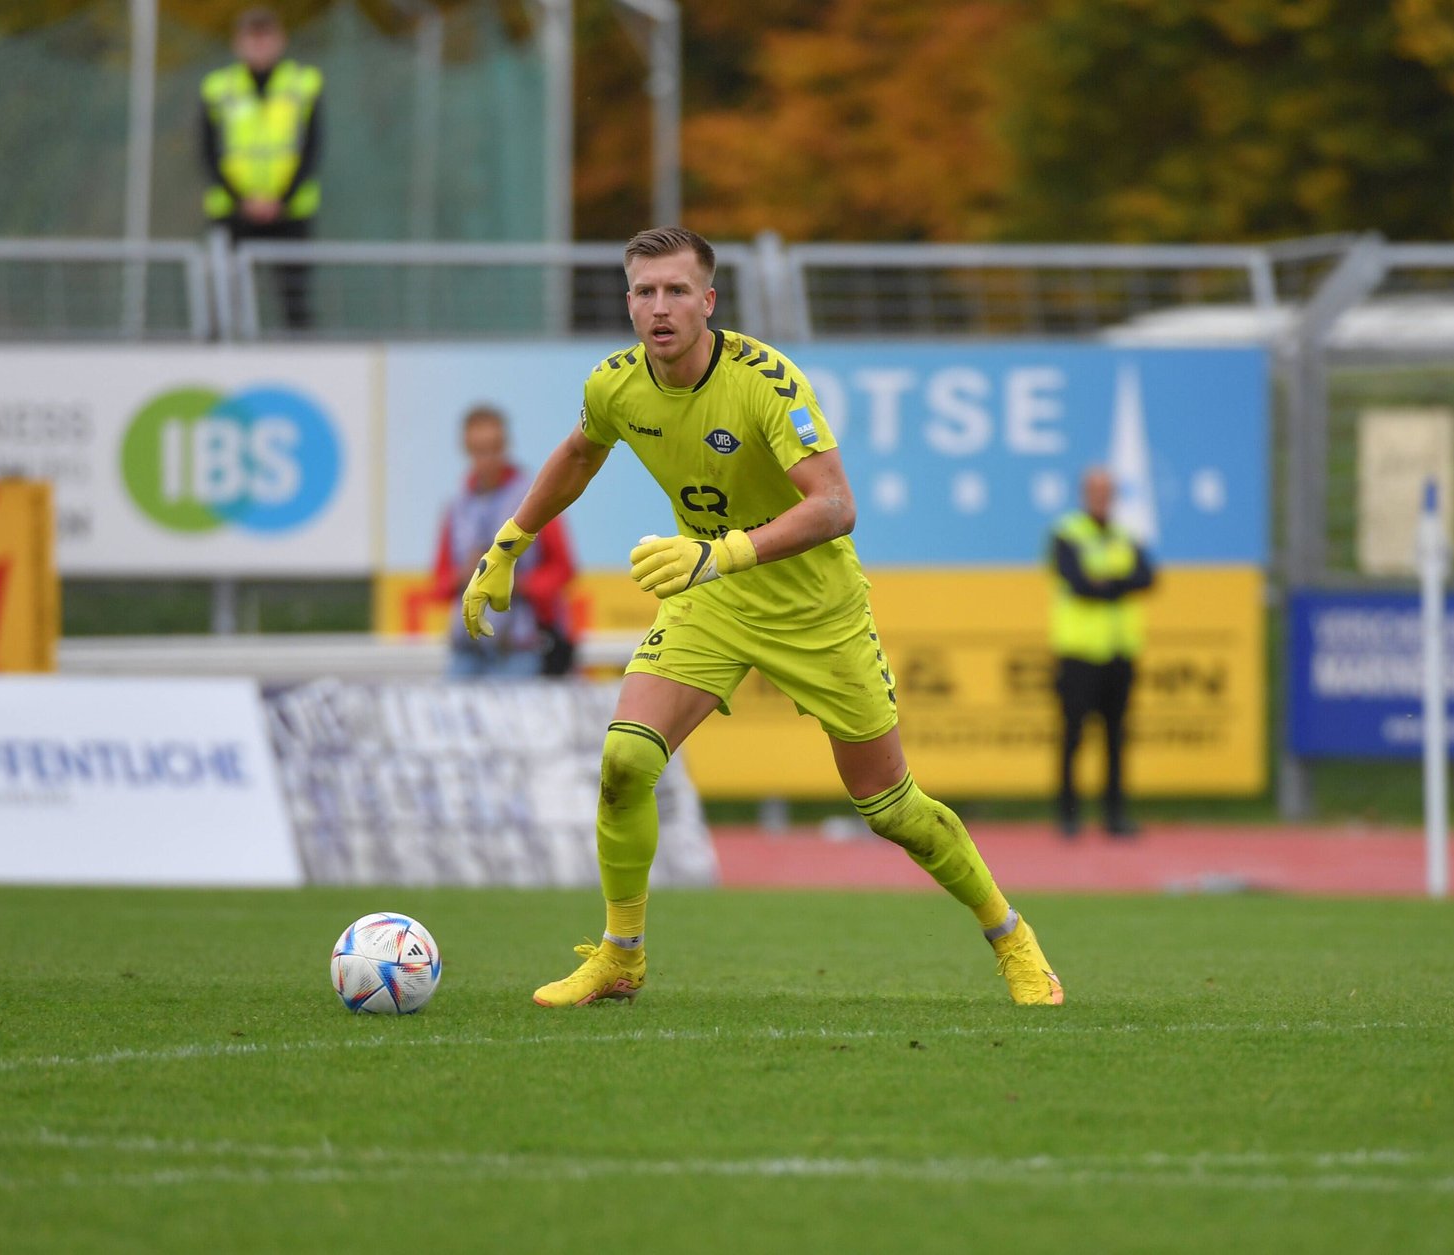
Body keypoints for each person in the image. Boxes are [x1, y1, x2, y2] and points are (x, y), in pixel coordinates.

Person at [462, 227, 1063, 1008]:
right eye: (644, 291)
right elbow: (580, 451)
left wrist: (722, 554)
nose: (660, 306)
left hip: (816, 609)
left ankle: (1011, 934)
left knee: (891, 809)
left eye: (677, 290)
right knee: (624, 764)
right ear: (629, 303)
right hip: (712, 597)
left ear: (708, 302)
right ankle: (621, 953)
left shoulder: (765, 382)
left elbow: (837, 505)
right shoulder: (616, 384)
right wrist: (508, 543)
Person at [1049, 467, 1157, 838]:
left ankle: (1114, 815)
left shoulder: (1125, 534)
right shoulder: (1068, 532)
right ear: (1084, 494)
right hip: (1078, 653)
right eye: (1095, 492)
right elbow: (1078, 583)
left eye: (1107, 492)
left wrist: (1104, 582)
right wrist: (1118, 584)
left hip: (1118, 652)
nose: (1101, 499)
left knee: (1116, 738)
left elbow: (1148, 577)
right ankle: (1069, 815)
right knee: (1073, 736)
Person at [433, 405, 576, 679]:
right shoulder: (457, 507)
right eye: (478, 450)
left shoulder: (536, 499)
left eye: (493, 448)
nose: (487, 459)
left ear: (505, 446)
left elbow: (563, 569)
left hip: (520, 645)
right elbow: (439, 582)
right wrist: (467, 574)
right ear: (466, 450)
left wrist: (512, 582)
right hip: (468, 647)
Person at [201, 7, 321, 331]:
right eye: (252, 38)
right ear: (237, 43)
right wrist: (244, 200)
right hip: (233, 211)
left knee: (294, 299)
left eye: (266, 37)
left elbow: (312, 150)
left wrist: (280, 198)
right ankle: (220, 369)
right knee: (225, 302)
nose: (259, 46)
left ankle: (303, 365)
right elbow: (209, 153)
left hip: (290, 210)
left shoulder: (304, 84)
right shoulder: (217, 88)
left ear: (280, 40)